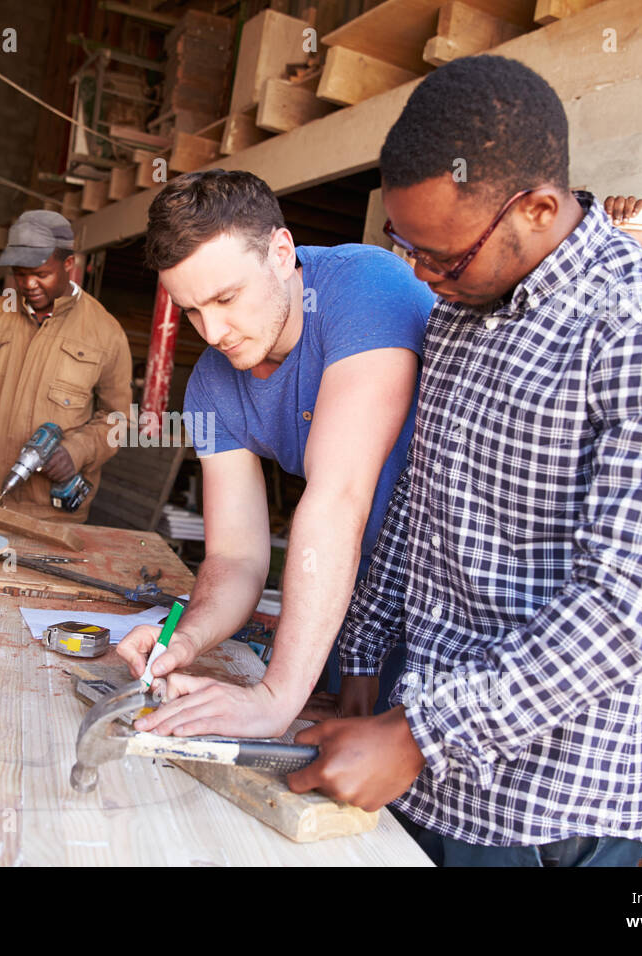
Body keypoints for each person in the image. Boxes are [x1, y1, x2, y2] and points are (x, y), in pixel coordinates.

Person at [283, 55, 642, 866]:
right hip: (429, 768)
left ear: (536, 208)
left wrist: (418, 734)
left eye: (444, 258)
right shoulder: (461, 319)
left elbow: (635, 604)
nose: (423, 277)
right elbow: (421, 516)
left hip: (557, 803)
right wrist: (361, 661)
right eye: (407, 250)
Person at [116, 170, 432, 738]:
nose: (212, 332)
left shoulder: (366, 289)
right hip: (350, 605)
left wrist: (274, 696)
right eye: (192, 311)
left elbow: (337, 501)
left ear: (281, 253)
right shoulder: (212, 385)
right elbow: (236, 557)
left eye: (226, 297)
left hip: (455, 606)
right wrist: (185, 636)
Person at [0, 210, 131, 522]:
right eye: (20, 274)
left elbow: (116, 419)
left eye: (41, 274)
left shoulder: (105, 332)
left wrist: (77, 452)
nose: (29, 284)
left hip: (51, 519)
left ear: (69, 265)